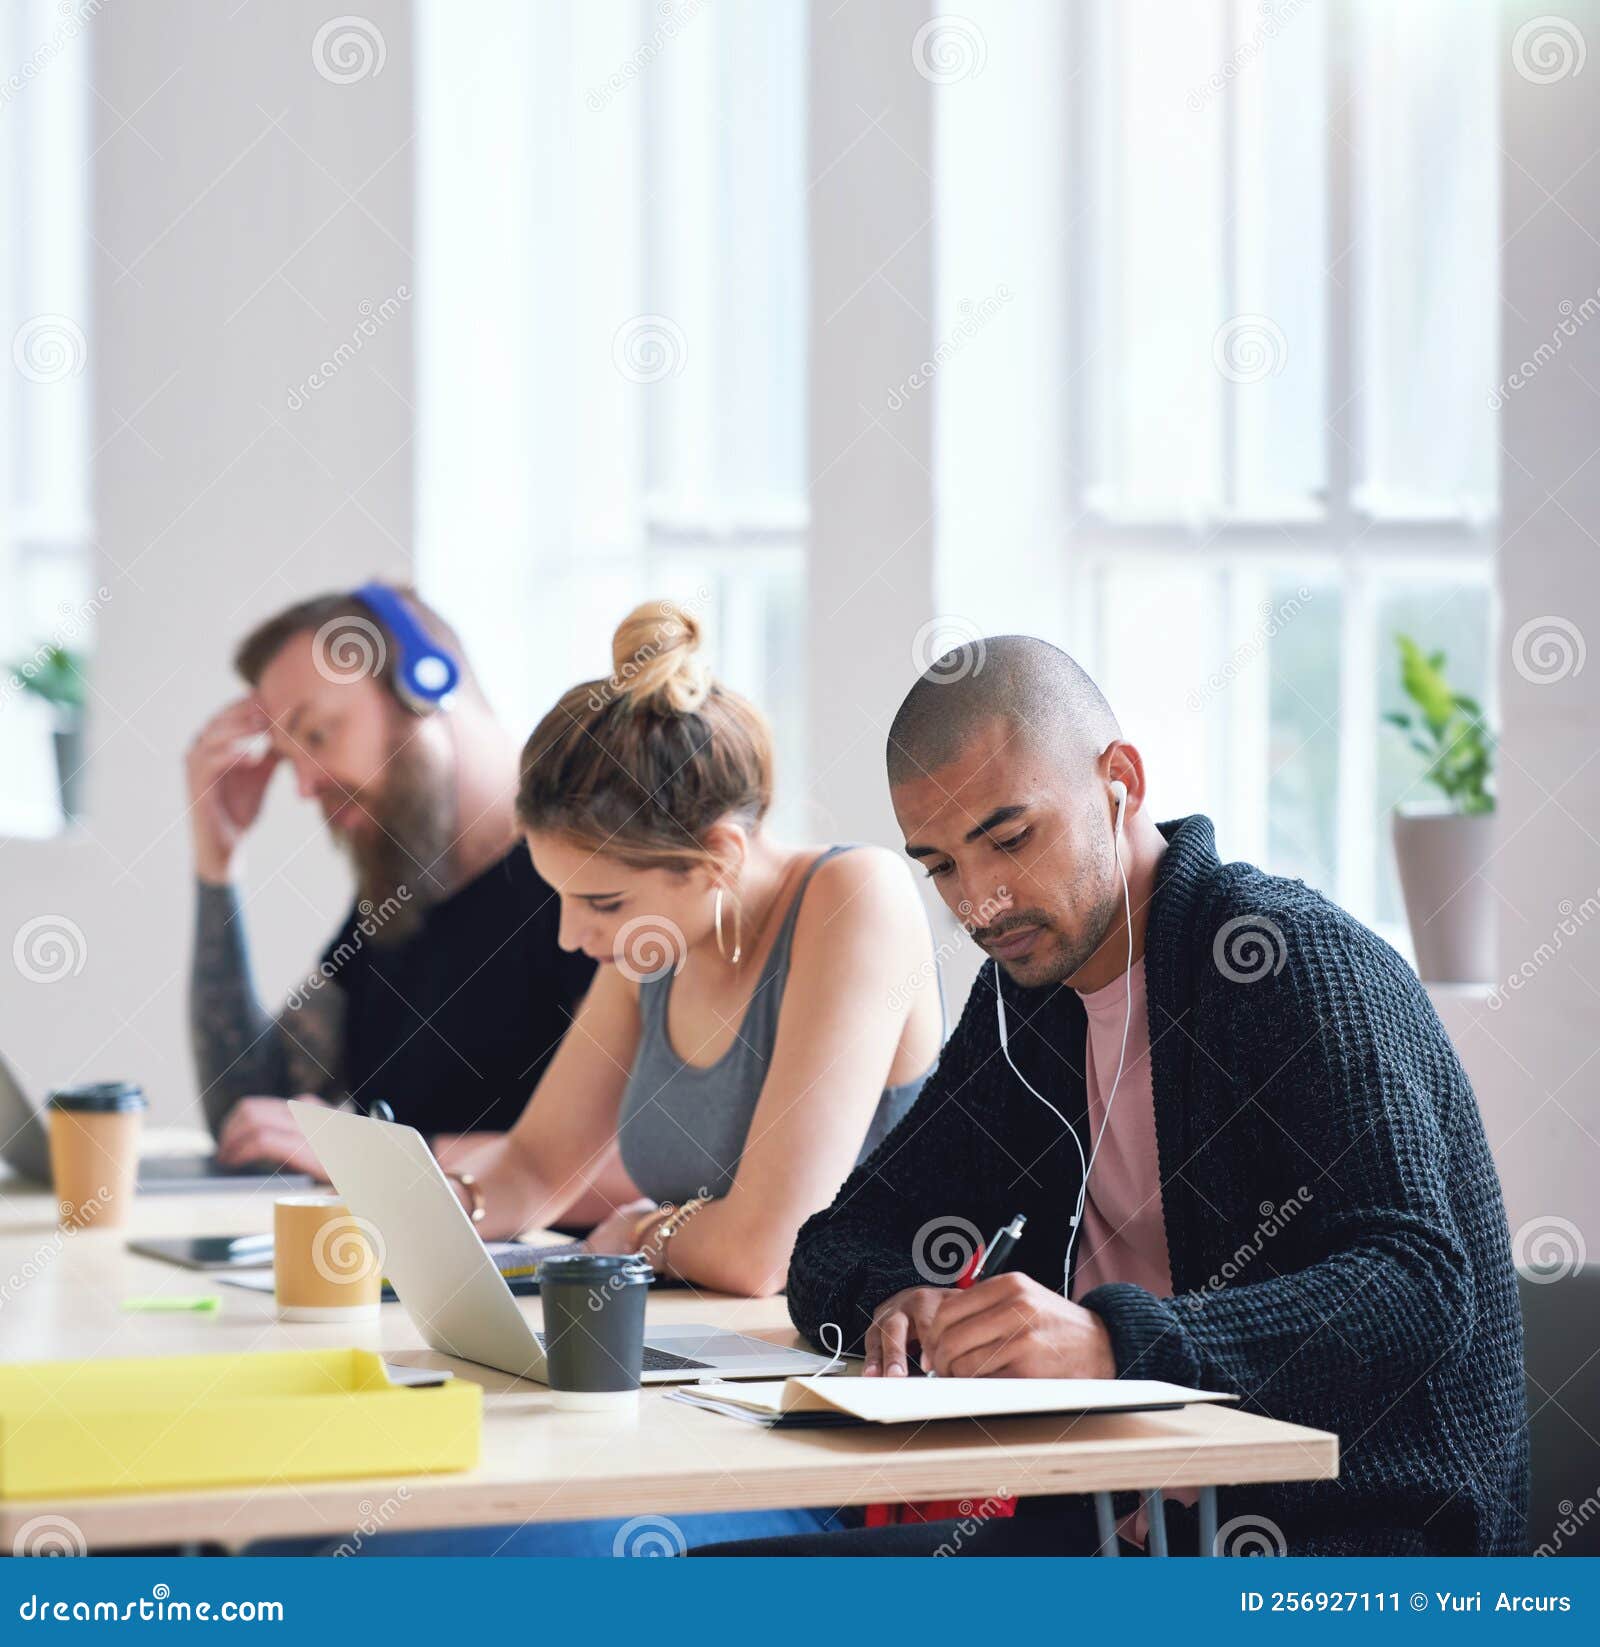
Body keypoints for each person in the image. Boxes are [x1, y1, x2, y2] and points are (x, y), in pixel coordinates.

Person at [697, 634, 1526, 1558]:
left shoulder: (1286, 962)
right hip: (1121, 1526)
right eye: (940, 866)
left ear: (1119, 779)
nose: (980, 902)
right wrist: (902, 1298)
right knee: (703, 1592)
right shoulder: (1024, 1004)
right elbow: (833, 1242)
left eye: (1010, 838)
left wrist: (1114, 1344)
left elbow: (1414, 1285)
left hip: (1354, 1540)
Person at [278, 597, 943, 1557]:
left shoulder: (855, 899)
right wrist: (435, 1210)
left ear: (717, 856)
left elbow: (766, 1248)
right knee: (303, 1523)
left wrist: (647, 1230)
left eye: (599, 901)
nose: (573, 935)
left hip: (819, 1432)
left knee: (430, 1548)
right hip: (681, 1397)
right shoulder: (655, 937)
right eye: (561, 897)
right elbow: (536, 1167)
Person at [186, 584, 627, 1217]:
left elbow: (665, 1166)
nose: (306, 785)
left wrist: (392, 1159)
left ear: (426, 683)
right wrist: (217, 865)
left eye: (319, 732)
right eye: (289, 759)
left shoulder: (599, 882)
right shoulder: (400, 894)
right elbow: (253, 1113)